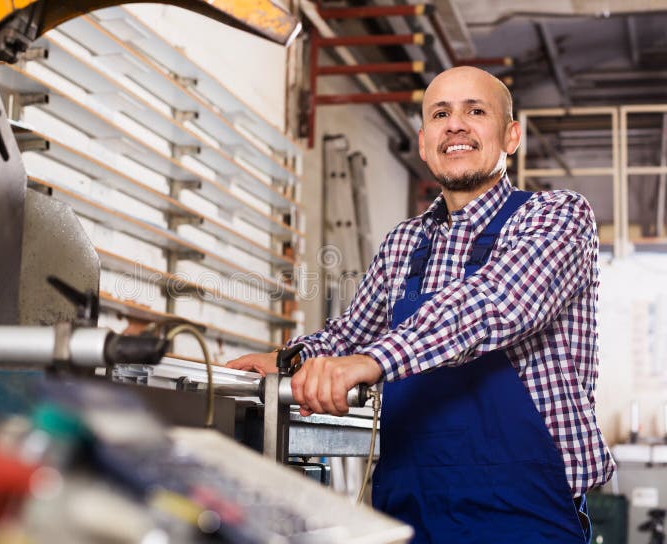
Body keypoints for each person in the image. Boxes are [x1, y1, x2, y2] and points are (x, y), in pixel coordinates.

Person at [227, 66, 615, 543]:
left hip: (524, 516)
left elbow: (496, 303)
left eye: (476, 111)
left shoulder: (556, 216)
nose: (456, 125)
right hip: (414, 510)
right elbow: (351, 335)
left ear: (511, 136)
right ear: (425, 142)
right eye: (440, 114)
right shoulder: (404, 243)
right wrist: (291, 359)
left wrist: (371, 361)